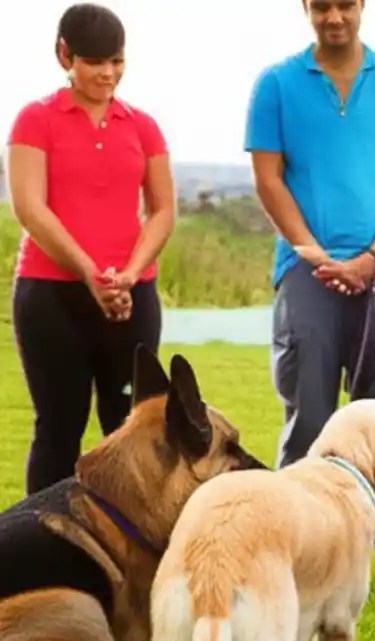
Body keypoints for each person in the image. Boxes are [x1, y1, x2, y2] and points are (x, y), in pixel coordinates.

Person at [244, 0, 375, 600]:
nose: (334, 16)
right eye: (322, 4)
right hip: (305, 269)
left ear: (362, 6)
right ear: (306, 7)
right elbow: (268, 177)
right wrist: (311, 252)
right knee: (308, 414)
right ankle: (284, 555)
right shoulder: (276, 84)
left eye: (346, 3)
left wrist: (372, 256)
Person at [6, 2, 173, 496]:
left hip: (132, 296)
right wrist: (90, 275)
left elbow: (162, 211)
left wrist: (128, 275)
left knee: (130, 430)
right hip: (51, 295)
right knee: (58, 427)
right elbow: (30, 208)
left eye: (116, 61)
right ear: (64, 55)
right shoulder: (35, 120)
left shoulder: (142, 126)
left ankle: (126, 553)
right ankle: (43, 552)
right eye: (95, 62)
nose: (108, 73)